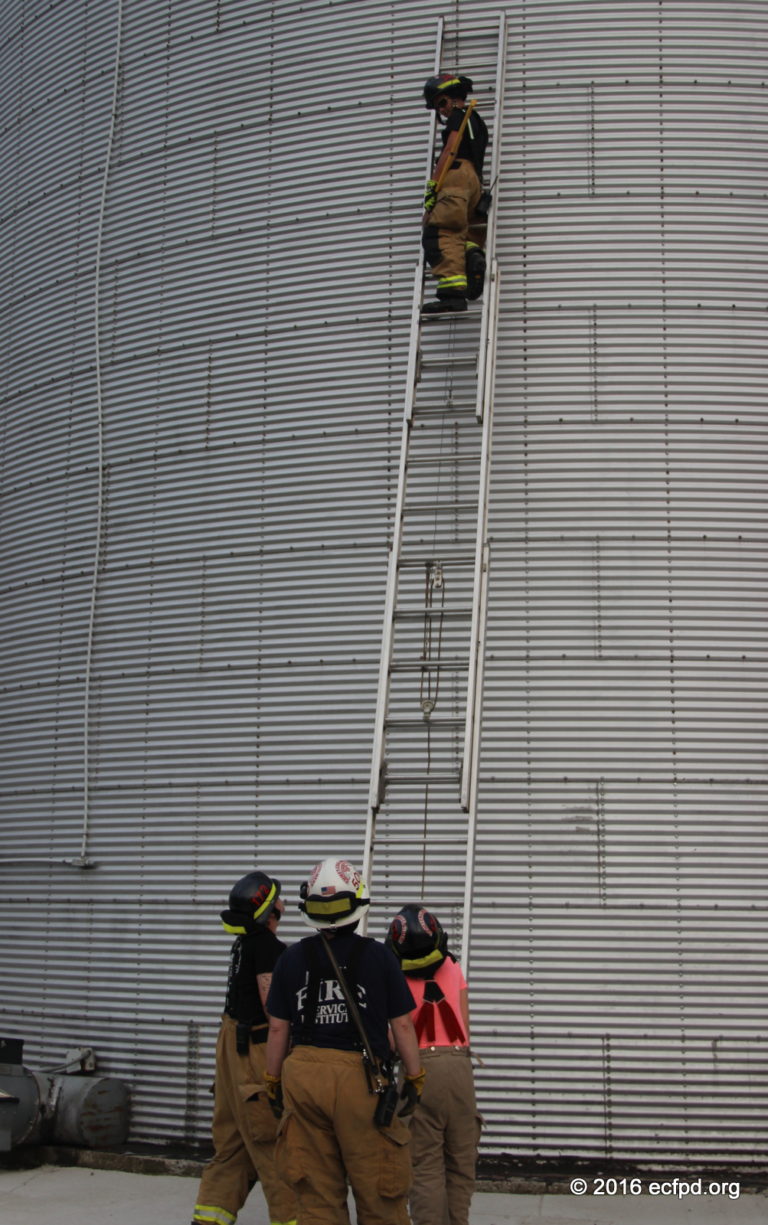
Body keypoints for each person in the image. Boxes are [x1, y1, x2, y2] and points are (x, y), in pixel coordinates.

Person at [264, 857, 425, 1225]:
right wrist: (414, 1076)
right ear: (357, 906)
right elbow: (401, 1025)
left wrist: (273, 1080)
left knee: (317, 1196)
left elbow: (277, 1029)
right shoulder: (379, 956)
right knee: (379, 1189)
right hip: (360, 1081)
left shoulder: (290, 958)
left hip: (302, 1076)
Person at [191, 871, 297, 1225]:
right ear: (271, 910)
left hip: (231, 1049)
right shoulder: (267, 947)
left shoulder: (242, 944)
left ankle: (209, 1218)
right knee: (273, 1145)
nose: (284, 902)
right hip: (254, 1050)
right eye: (279, 898)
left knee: (233, 1146)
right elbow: (273, 1007)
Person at [385, 904, 481, 1225]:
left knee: (425, 1165)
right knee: (460, 1162)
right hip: (459, 1067)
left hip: (420, 1071)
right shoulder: (454, 967)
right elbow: (465, 1025)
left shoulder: (394, 977)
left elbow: (391, 1039)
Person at [421, 72, 489, 314]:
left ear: (452, 98)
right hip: (475, 185)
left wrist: (433, 187)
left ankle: (453, 293)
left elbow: (450, 150)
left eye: (441, 103)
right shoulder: (478, 122)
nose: (442, 112)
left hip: (457, 176)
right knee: (465, 234)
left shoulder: (459, 117)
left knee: (438, 231)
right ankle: (473, 259)